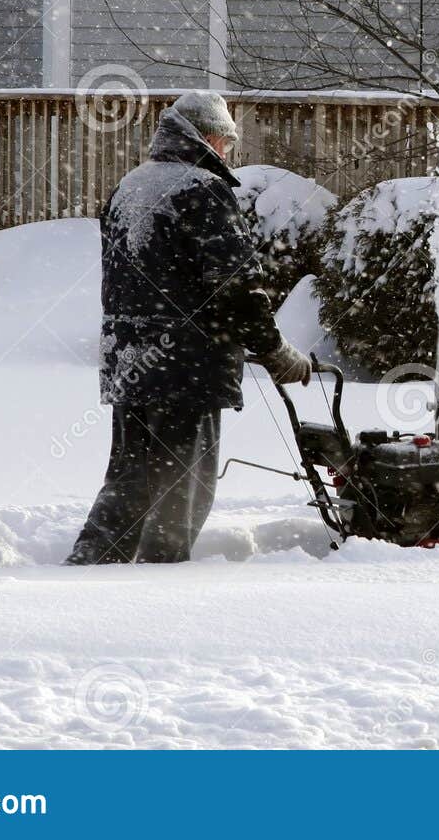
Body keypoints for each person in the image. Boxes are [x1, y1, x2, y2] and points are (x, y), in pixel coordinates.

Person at [66, 90, 312, 565]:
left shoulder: (132, 185)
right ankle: (162, 579)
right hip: (186, 365)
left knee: (131, 476)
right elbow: (237, 289)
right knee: (181, 489)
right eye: (225, 140)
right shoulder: (201, 189)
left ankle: (90, 567)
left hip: (131, 359)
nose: (228, 152)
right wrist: (276, 352)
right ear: (206, 137)